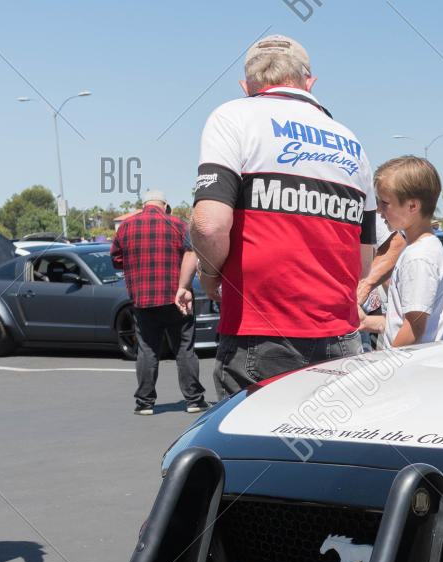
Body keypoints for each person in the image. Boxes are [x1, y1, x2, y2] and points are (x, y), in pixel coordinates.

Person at [189, 35, 375, 396]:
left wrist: (210, 272)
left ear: (247, 85)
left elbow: (209, 225)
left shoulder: (234, 116)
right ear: (310, 82)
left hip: (259, 334)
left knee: (257, 450)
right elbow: (363, 264)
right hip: (340, 336)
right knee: (332, 450)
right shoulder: (352, 143)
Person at [110, 188, 206, 415]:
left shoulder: (126, 227)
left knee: (147, 350)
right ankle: (194, 400)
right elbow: (191, 253)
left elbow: (116, 259)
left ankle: (144, 403)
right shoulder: (178, 224)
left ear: (145, 205)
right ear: (165, 205)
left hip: (143, 300)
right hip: (177, 299)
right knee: (184, 349)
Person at [361, 156, 443, 347]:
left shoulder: (418, 257)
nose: (378, 210)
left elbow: (413, 330)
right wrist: (365, 322)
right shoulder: (421, 248)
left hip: (418, 372)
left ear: (413, 206)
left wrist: (384, 365)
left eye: (385, 203)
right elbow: (404, 323)